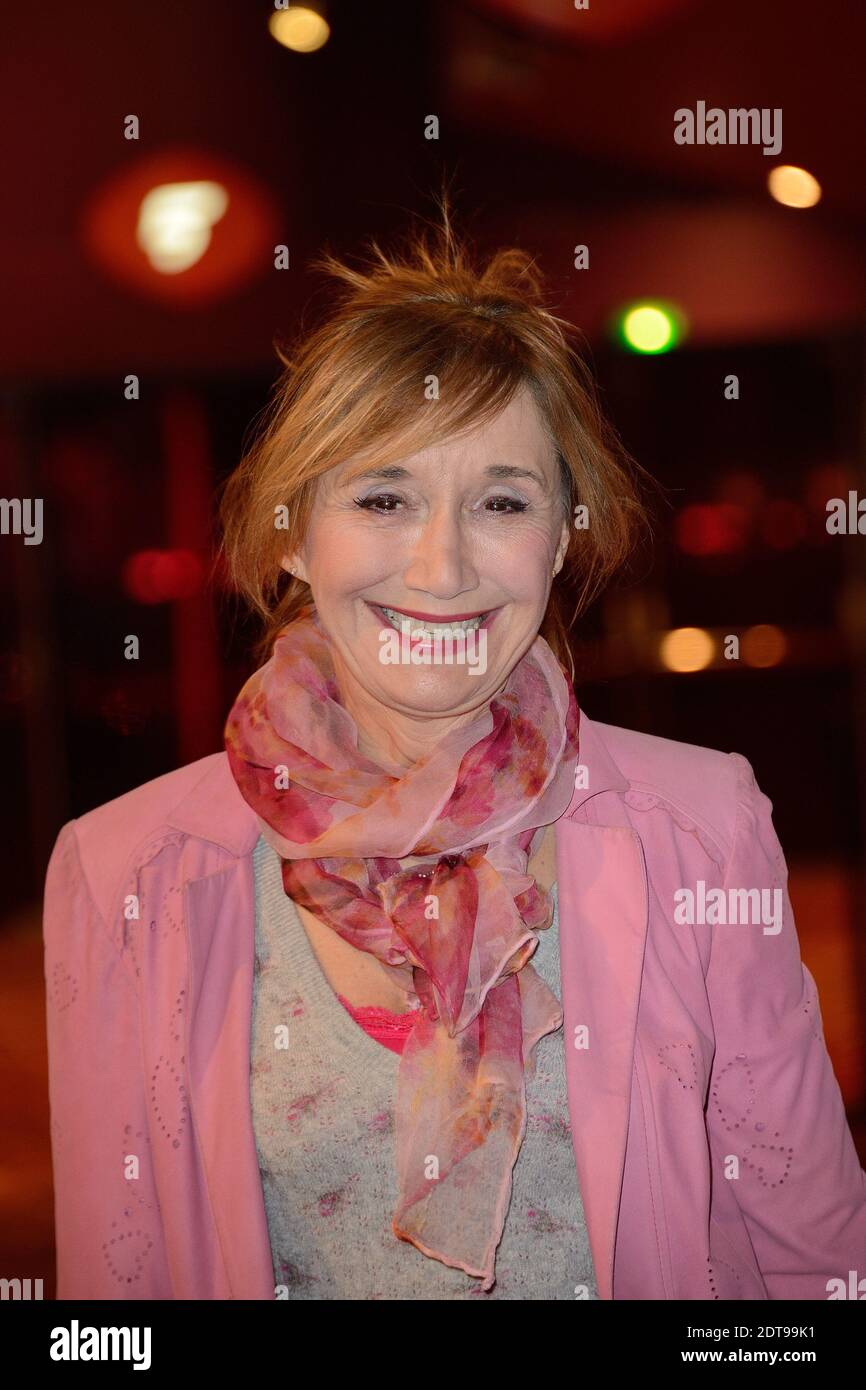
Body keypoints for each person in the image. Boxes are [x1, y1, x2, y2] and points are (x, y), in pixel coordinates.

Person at [43, 209, 866, 1300]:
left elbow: (813, 1256)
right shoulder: (124, 870)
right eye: (383, 497)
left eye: (500, 501)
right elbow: (118, 1290)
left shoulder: (700, 828)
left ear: (562, 532)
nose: (440, 564)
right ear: (292, 529)